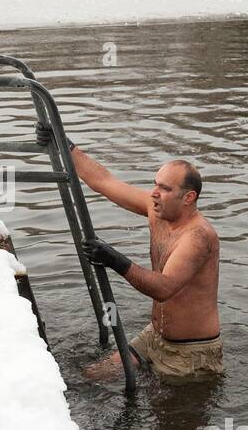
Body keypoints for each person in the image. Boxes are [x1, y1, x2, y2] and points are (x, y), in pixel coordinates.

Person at [37, 124, 222, 384]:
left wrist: (115, 260)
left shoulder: (199, 236)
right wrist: (65, 146)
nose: (155, 193)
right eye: (155, 184)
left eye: (165, 189)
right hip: (153, 337)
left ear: (189, 197)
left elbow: (164, 288)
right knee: (89, 379)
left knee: (167, 420)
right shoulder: (155, 208)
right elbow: (104, 181)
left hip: (189, 354)